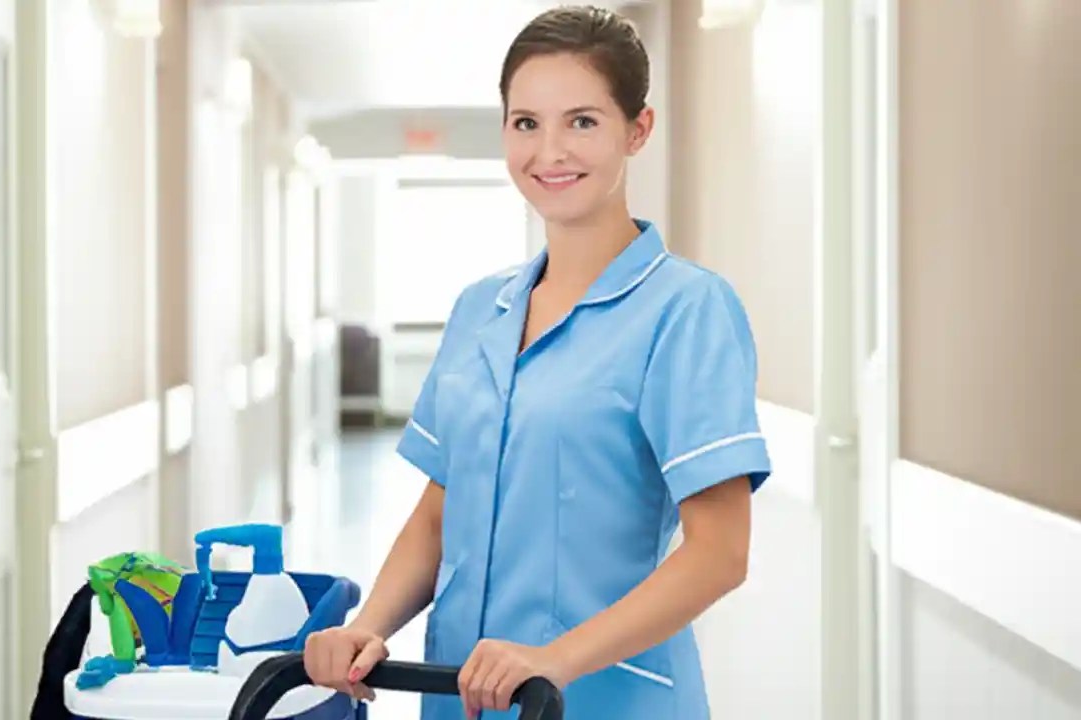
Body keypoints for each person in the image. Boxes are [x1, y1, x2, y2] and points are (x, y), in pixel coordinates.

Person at [304, 6, 771, 719]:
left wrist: (554, 659)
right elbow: (439, 513)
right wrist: (369, 625)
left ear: (636, 131)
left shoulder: (685, 310)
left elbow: (719, 553)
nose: (549, 151)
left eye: (582, 121)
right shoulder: (478, 310)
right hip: (460, 695)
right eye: (526, 123)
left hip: (600, 699)